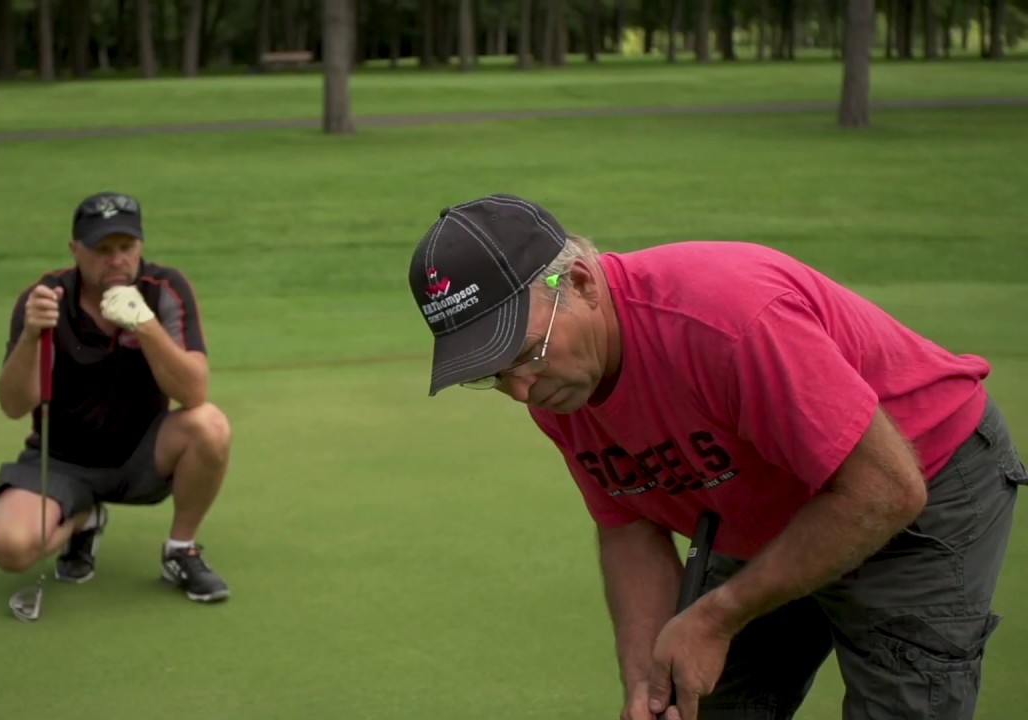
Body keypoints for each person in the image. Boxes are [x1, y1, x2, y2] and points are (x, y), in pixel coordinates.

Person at [405, 193, 1026, 720]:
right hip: (770, 507)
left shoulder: (724, 320)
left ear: (582, 284)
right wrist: (644, 684)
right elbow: (627, 522)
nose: (519, 390)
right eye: (490, 373)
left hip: (920, 480)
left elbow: (886, 488)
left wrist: (715, 619)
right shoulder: (560, 384)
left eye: (523, 353)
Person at [0, 191, 233, 603]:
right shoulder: (46, 300)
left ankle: (180, 550)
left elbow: (193, 392)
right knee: (11, 549)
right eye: (102, 249)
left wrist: (145, 324)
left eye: (126, 247)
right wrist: (31, 337)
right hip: (60, 462)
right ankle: (84, 519)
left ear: (140, 246)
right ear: (75, 250)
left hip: (142, 455)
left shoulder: (164, 289)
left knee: (209, 424)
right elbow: (14, 405)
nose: (116, 259)